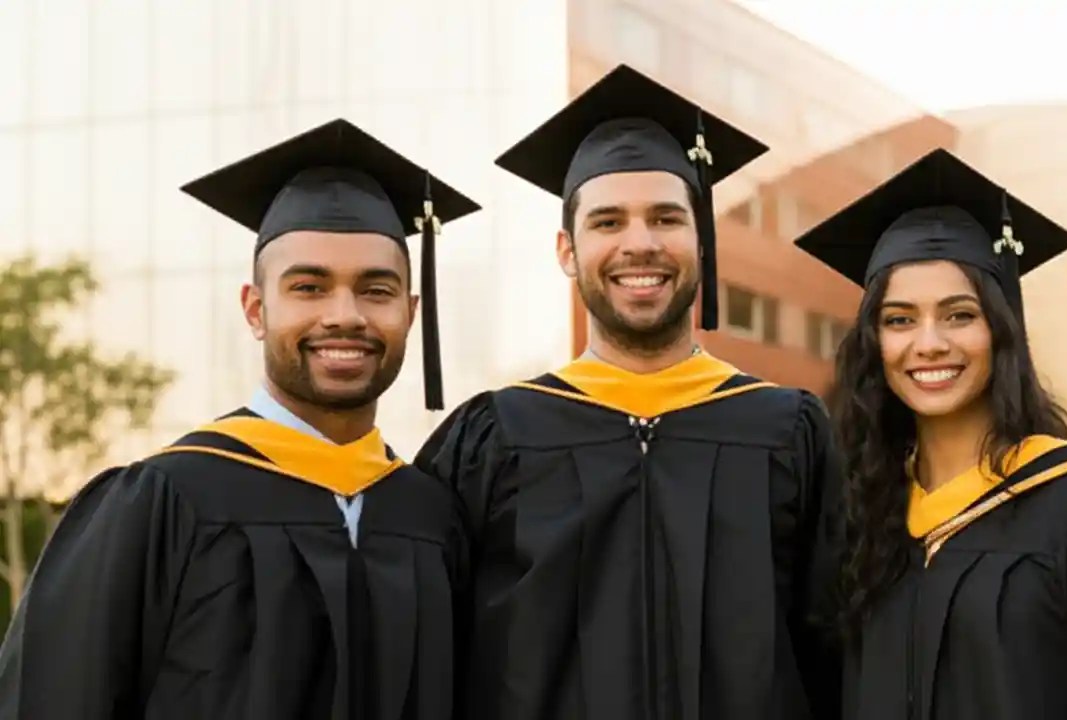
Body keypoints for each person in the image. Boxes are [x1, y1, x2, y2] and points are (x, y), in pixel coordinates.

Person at [0, 118, 481, 719]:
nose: (345, 315)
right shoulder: (163, 502)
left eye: (375, 290)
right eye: (308, 287)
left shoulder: (431, 519)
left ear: (411, 313)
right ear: (256, 310)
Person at [414, 64, 845, 719]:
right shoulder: (492, 440)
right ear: (567, 249)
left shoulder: (788, 432)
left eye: (666, 218)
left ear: (700, 239)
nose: (640, 244)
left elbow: (840, 651)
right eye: (608, 222)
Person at [796, 147, 1067, 719]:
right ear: (874, 344)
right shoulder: (863, 522)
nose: (928, 343)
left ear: (1001, 331)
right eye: (899, 319)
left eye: (959, 315)